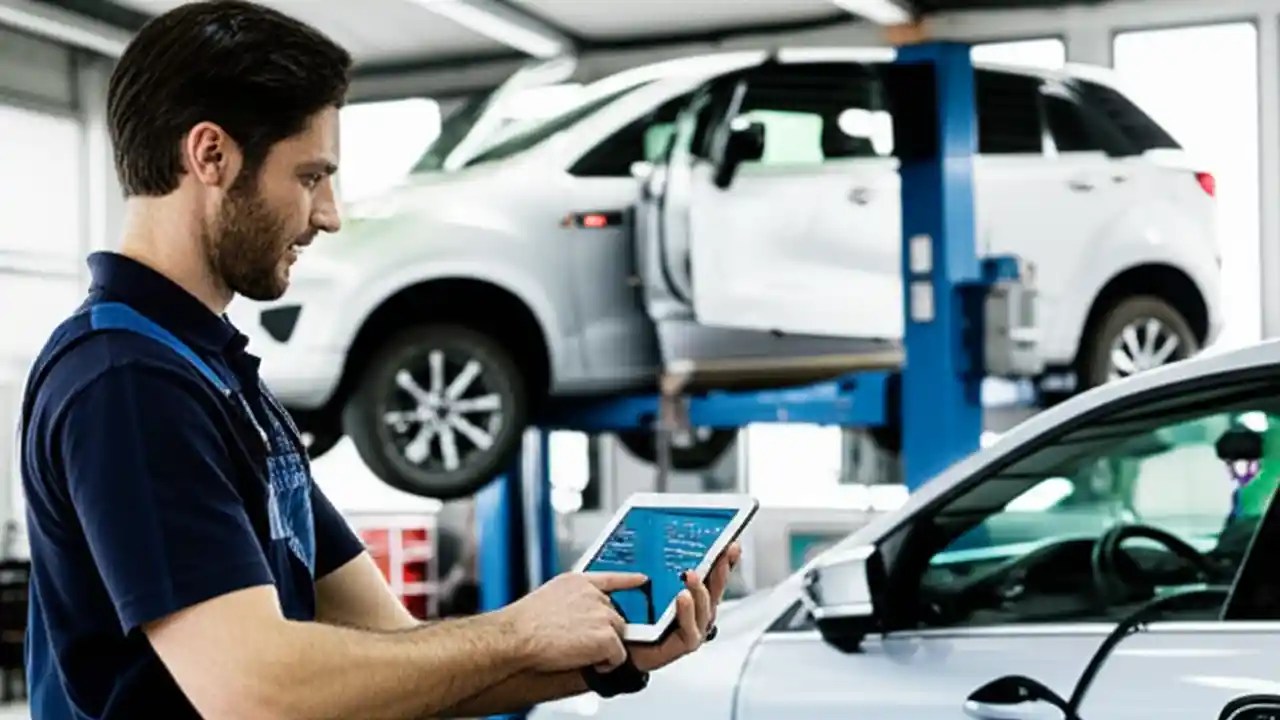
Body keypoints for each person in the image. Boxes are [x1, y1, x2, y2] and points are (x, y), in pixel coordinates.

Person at [17, 1, 741, 718]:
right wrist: (519, 630)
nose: (329, 213)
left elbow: (399, 653)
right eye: (309, 176)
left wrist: (607, 656)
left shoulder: (218, 375)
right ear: (211, 155)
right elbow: (253, 691)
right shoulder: (128, 383)